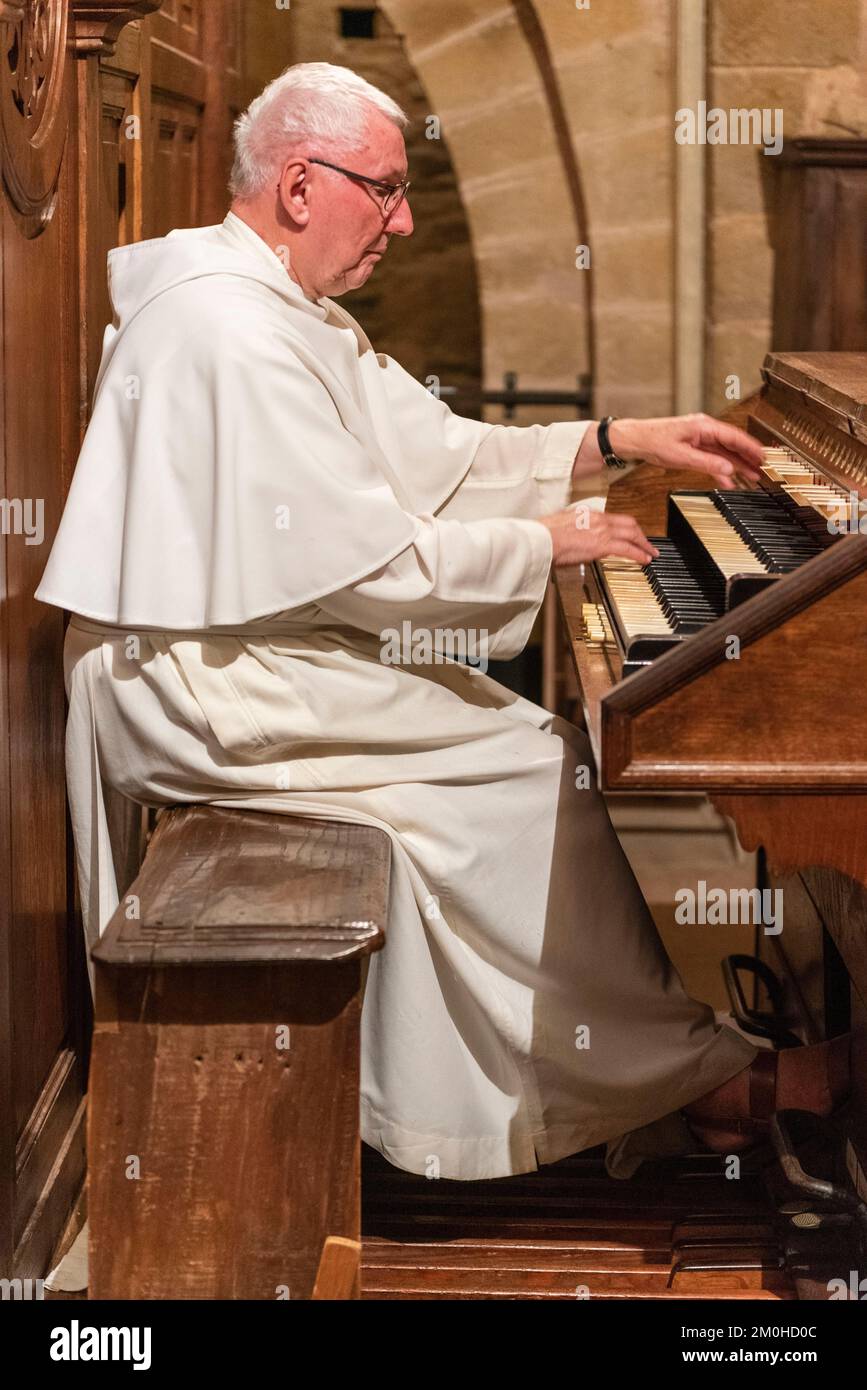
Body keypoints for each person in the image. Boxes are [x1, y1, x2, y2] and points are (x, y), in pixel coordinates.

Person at [36, 62, 848, 1191]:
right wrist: (545, 544)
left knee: (524, 749)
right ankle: (688, 1083)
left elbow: (440, 452)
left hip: (241, 659)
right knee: (530, 763)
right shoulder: (227, 328)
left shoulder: (276, 305)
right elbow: (365, 566)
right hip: (194, 687)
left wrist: (619, 439)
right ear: (302, 183)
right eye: (385, 188)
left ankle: (651, 1070)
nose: (405, 220)